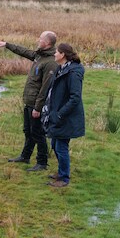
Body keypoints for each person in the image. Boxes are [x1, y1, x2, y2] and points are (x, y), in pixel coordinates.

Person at [0, 31, 58, 171]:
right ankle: (25, 156)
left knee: (38, 133)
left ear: (47, 43)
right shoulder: (40, 55)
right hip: (29, 101)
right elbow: (25, 52)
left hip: (36, 104)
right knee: (28, 131)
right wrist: (7, 45)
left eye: (40, 39)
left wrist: (38, 108)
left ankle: (42, 162)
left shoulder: (51, 63)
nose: (38, 40)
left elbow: (45, 88)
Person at [42, 43, 85, 188]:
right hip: (57, 114)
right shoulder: (61, 69)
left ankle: (64, 178)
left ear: (63, 55)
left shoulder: (73, 73)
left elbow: (75, 97)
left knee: (61, 146)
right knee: (55, 144)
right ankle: (61, 172)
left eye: (56, 52)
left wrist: (60, 114)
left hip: (65, 117)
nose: (54, 54)